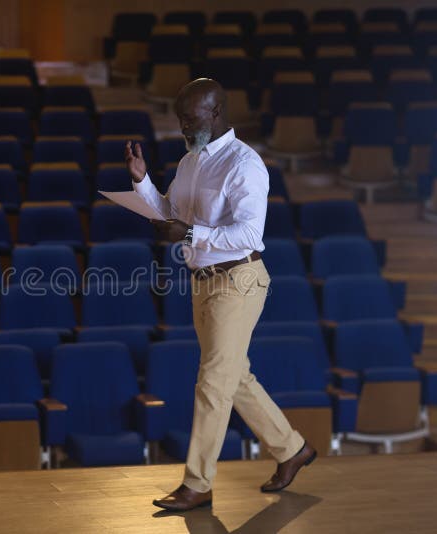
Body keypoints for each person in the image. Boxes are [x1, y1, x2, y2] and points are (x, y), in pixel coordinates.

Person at [125, 78, 316, 512]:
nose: (182, 128)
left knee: (213, 382)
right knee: (234, 377)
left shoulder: (244, 164)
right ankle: (292, 449)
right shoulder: (191, 161)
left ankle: (198, 483)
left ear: (216, 113)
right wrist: (141, 183)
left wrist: (190, 232)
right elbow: (171, 212)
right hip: (203, 281)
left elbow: (250, 233)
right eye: (179, 120)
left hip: (240, 280)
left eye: (190, 119)